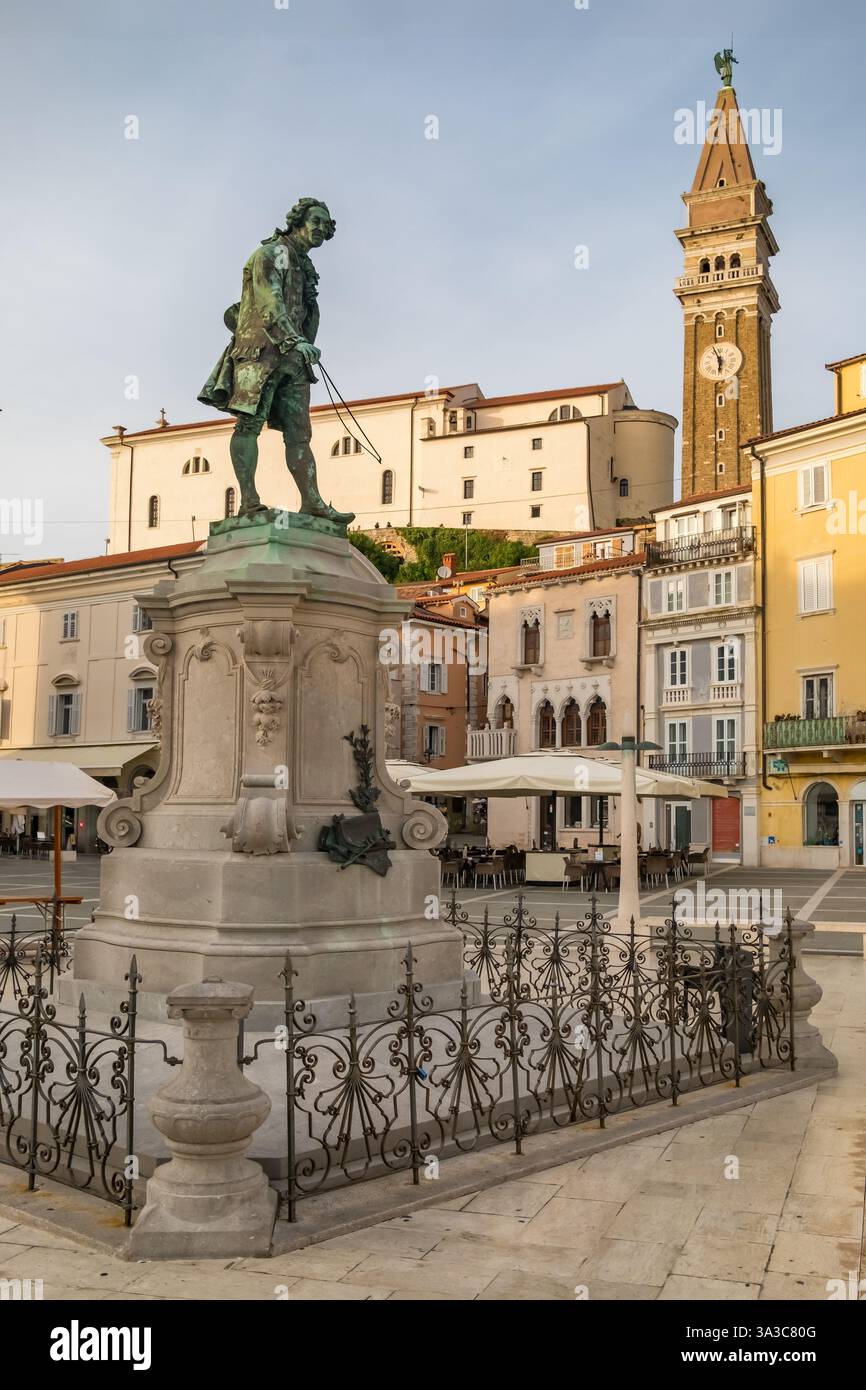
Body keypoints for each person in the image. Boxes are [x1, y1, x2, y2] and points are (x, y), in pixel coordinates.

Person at [199, 197, 353, 526]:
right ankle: (249, 504)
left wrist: (303, 346)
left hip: (294, 359)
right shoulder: (271, 254)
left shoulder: (305, 267)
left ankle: (312, 503)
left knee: (300, 435)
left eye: (326, 226)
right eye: (316, 221)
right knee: (248, 425)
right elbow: (270, 302)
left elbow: (306, 312)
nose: (321, 230)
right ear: (298, 221)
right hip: (261, 353)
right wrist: (294, 340)